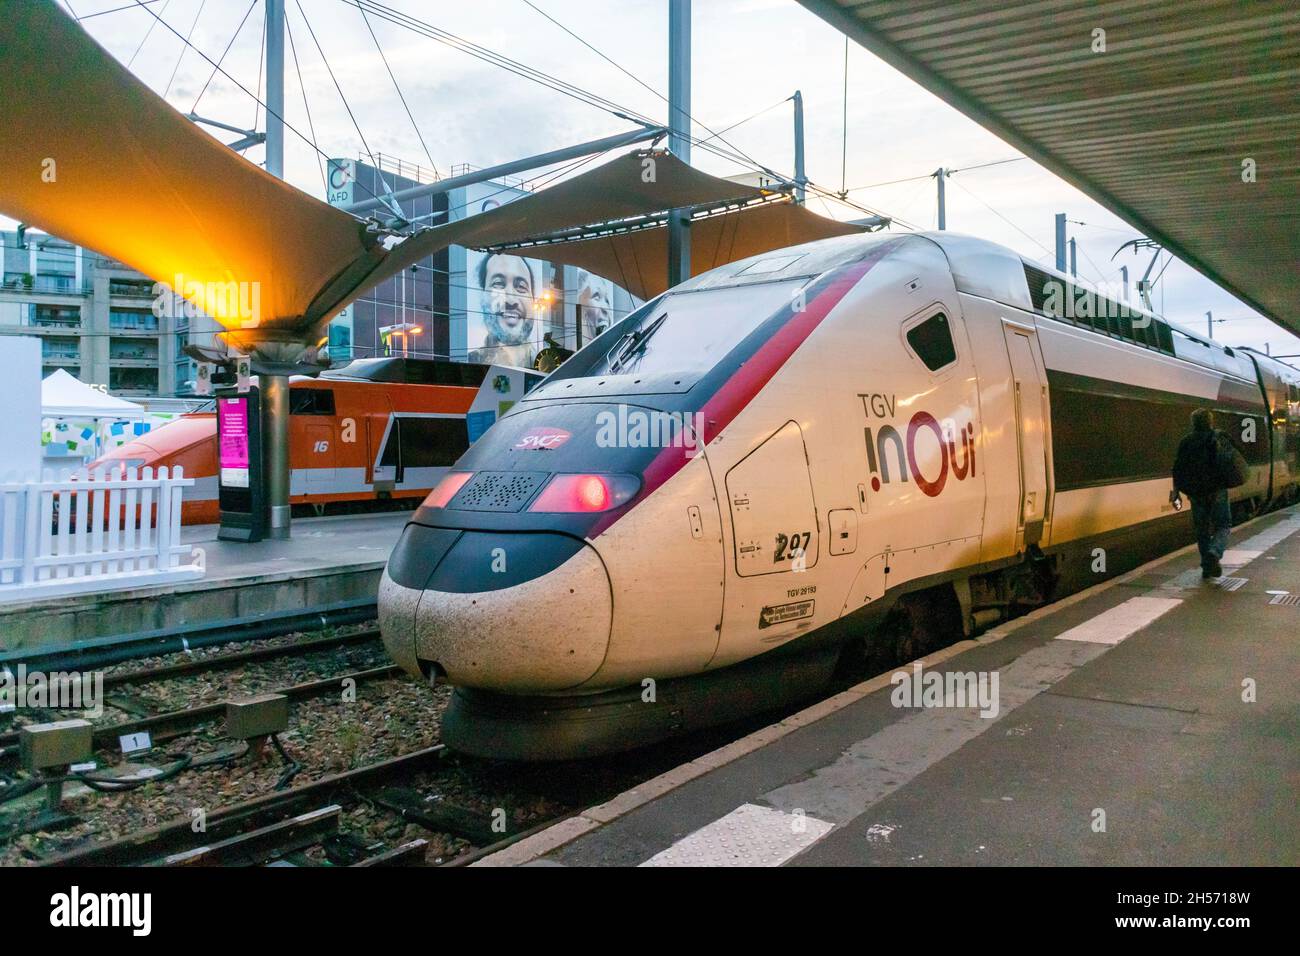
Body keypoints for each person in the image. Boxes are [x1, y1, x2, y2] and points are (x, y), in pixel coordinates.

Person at [1171, 408, 1234, 579]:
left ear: (1193, 423)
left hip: (1196, 493)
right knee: (1223, 525)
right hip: (1217, 491)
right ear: (1210, 422)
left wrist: (1176, 492)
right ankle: (1214, 553)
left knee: (1202, 530)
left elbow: (1177, 469)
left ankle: (1207, 567)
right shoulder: (1219, 437)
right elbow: (1231, 461)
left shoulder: (1186, 442)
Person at [468, 252, 537, 369]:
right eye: (498, 284)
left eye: (521, 286)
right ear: (482, 297)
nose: (510, 300)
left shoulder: (547, 366)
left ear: (533, 300)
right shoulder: (470, 361)